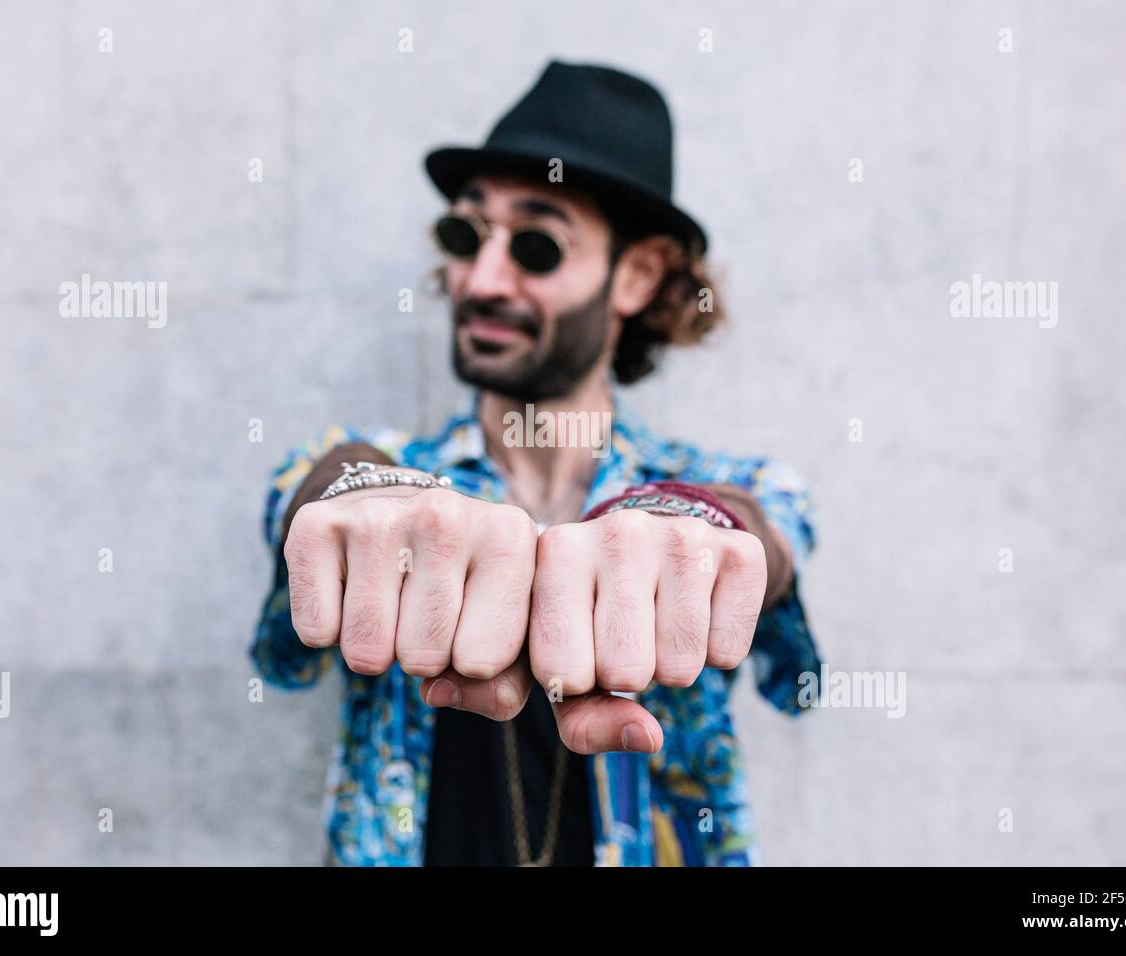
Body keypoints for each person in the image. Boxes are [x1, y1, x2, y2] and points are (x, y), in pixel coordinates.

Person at [251, 60, 820, 866]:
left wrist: (701, 525)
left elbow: (762, 532)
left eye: (537, 246)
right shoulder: (393, 471)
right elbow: (316, 487)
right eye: (464, 234)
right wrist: (362, 488)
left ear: (638, 274)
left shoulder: (743, 485)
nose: (481, 279)